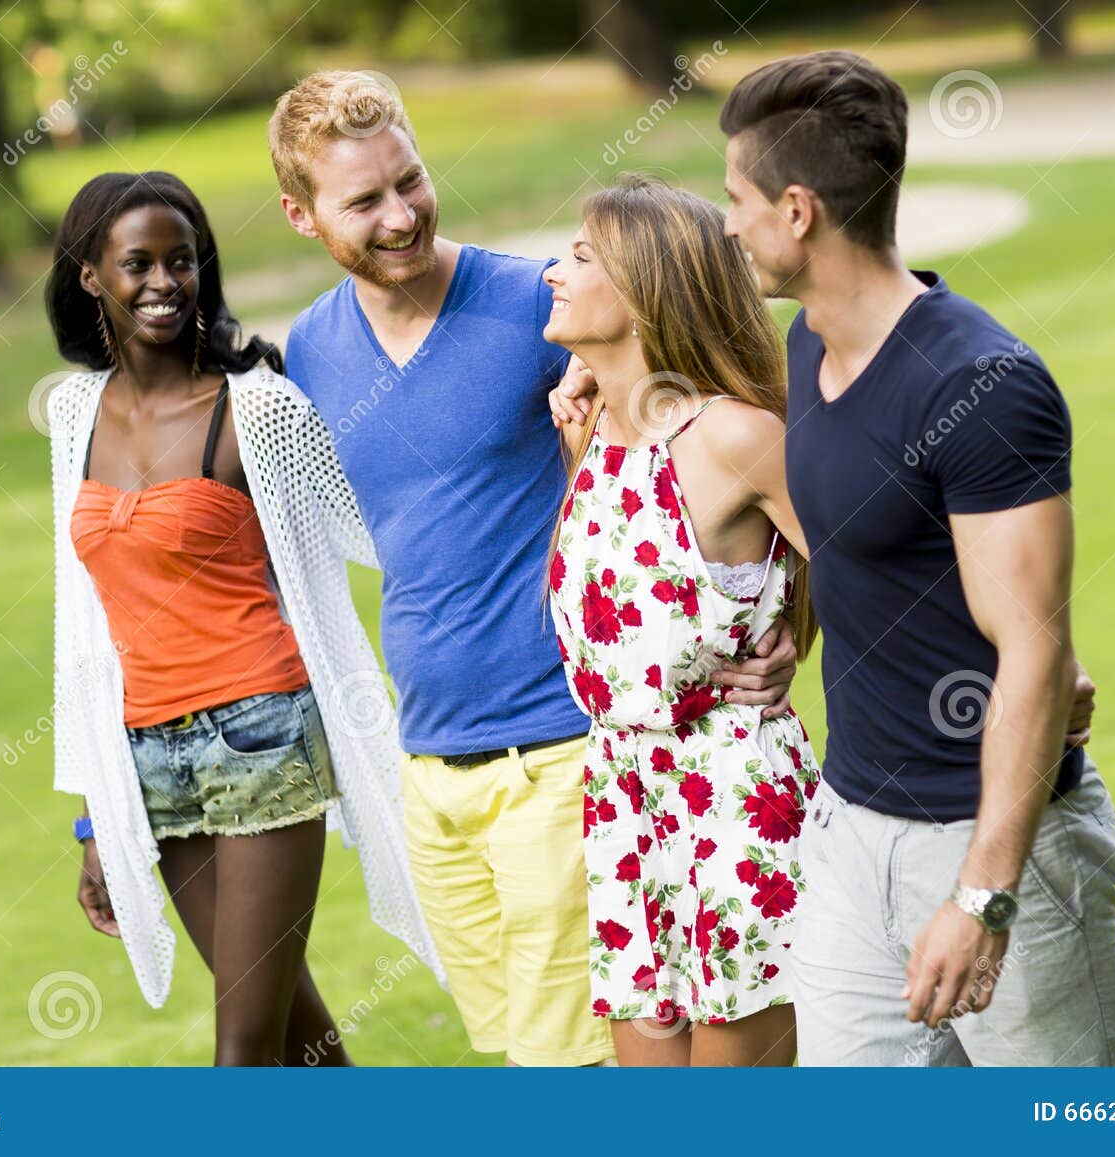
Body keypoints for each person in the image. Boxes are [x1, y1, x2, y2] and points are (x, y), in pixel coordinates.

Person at [268, 72, 800, 1066]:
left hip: (565, 751)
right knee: (514, 1047)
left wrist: (775, 628)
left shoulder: (539, 305)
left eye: (409, 181)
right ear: (301, 215)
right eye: (363, 201)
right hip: (429, 761)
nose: (400, 215)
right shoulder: (312, 347)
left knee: (567, 1065)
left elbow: (701, 465)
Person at [713, 51, 1115, 1065]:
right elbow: (860, 536)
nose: (724, 220)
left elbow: (1033, 650)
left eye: (734, 196)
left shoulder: (981, 383)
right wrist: (791, 625)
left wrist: (982, 895)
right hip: (851, 826)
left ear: (795, 209)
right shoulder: (809, 349)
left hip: (996, 844)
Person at [44, 170, 439, 1065]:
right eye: (136, 263)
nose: (163, 283)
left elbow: (379, 525)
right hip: (150, 757)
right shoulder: (73, 414)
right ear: (89, 276)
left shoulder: (258, 408)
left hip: (261, 735)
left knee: (243, 1049)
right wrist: (95, 813)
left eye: (182, 261)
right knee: (293, 1027)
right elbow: (83, 624)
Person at [543, 174, 821, 1066]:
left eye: (580, 257)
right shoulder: (593, 432)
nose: (553, 271)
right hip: (624, 799)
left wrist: (793, 643)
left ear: (643, 288)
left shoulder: (734, 437)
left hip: (733, 791)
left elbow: (873, 568)